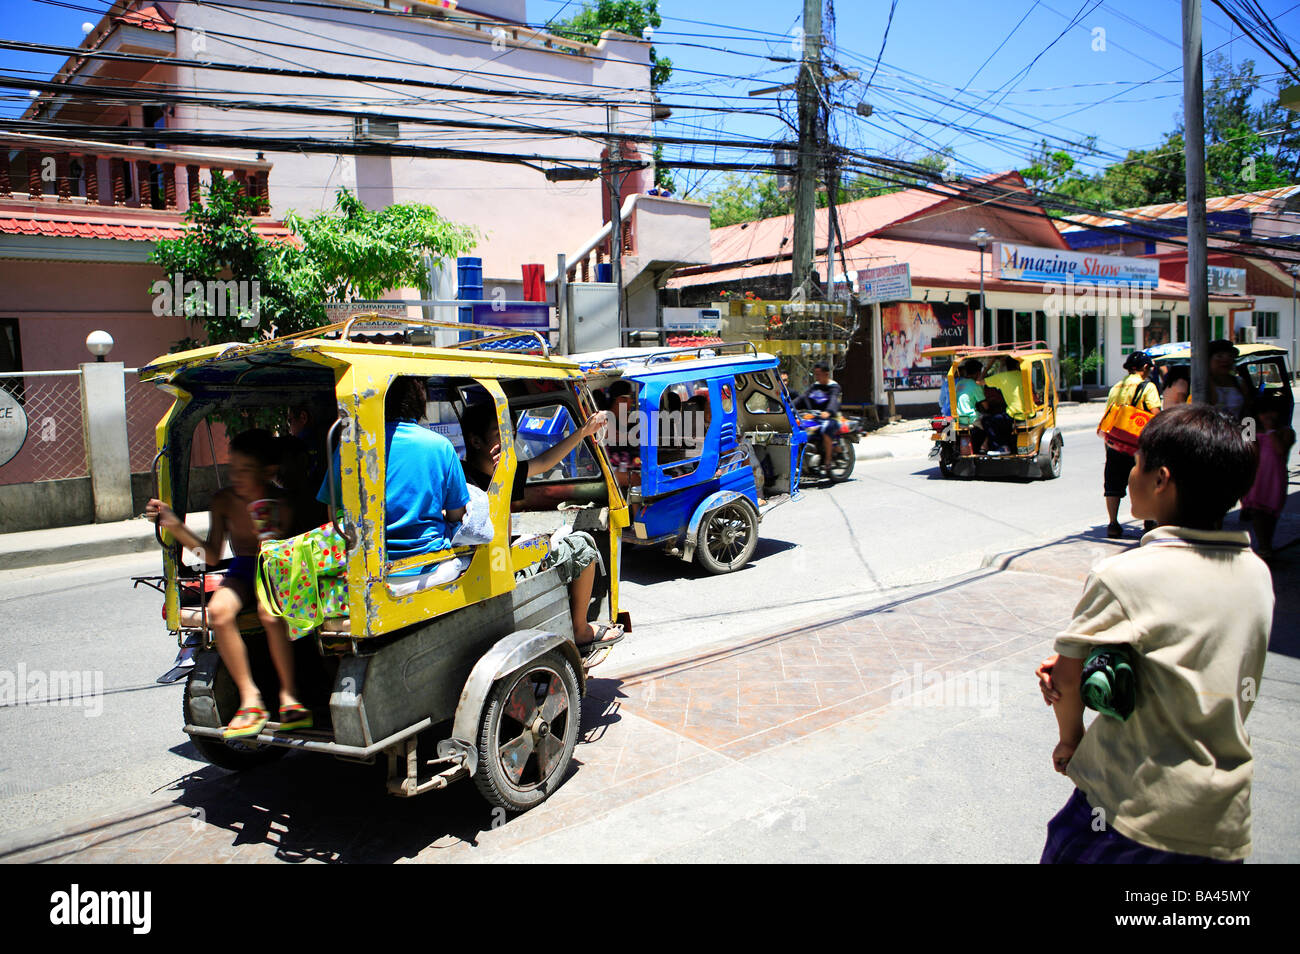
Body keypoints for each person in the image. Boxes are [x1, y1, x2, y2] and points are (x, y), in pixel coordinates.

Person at [1034, 404, 1270, 863]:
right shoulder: (1256, 574)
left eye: (1137, 463)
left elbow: (1064, 679)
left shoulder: (1124, 575)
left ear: (1161, 479)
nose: (1130, 475)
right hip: (1222, 821)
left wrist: (1071, 740)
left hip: (1132, 814)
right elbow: (1186, 657)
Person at [146, 429, 308, 740]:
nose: (237, 476)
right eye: (233, 468)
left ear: (268, 472)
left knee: (269, 614)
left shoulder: (285, 502)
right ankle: (251, 699)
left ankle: (290, 696)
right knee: (218, 611)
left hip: (280, 568)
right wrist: (174, 525)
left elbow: (299, 550)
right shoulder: (223, 501)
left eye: (245, 470)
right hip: (245, 567)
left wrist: (274, 536)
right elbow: (210, 554)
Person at [460, 400, 621, 652]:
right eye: (498, 433)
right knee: (582, 545)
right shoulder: (464, 477)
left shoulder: (505, 471)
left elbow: (545, 462)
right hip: (492, 571)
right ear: (475, 441)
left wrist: (582, 432)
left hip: (500, 561)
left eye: (509, 433)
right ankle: (579, 629)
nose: (507, 439)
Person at [1100, 350, 1161, 539]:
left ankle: (1113, 523)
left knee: (1112, 484)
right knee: (1146, 481)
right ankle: (1149, 520)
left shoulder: (1116, 387)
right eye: (1149, 367)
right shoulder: (1147, 387)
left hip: (1116, 443)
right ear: (1144, 367)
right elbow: (1156, 415)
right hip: (1139, 445)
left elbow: (1109, 415)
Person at [1240, 389, 1295, 561]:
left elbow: (1280, 450)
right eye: (1264, 412)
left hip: (1275, 478)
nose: (1269, 416)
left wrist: (1271, 430)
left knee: (1271, 513)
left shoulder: (1285, 432)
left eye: (1272, 411)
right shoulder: (1251, 427)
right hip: (1256, 477)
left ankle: (1267, 544)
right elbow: (1248, 450)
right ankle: (1264, 546)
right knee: (1257, 511)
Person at [793, 362, 842, 470]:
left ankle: (828, 461)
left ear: (826, 374)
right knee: (800, 428)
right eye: (815, 374)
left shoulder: (833, 387)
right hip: (816, 418)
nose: (817, 376)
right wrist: (790, 406)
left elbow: (834, 399)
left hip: (831, 418)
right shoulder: (815, 386)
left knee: (825, 430)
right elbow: (803, 397)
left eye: (819, 374)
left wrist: (828, 411)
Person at [1209, 339, 1254, 423]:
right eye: (1219, 356)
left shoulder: (1240, 383)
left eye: (1230, 356)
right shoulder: (1202, 383)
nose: (1225, 360)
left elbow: (1247, 411)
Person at [954, 358, 986, 451]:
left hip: (958, 418)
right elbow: (985, 406)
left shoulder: (959, 383)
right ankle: (985, 446)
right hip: (971, 418)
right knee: (990, 424)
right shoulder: (975, 385)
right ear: (977, 373)